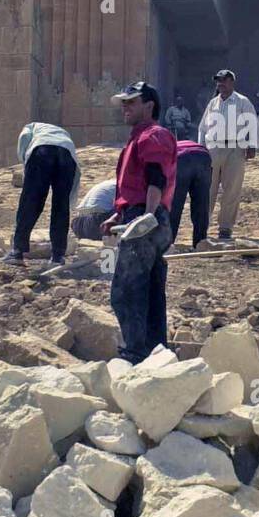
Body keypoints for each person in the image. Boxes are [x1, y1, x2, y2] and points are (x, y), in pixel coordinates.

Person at [101, 81, 177, 364]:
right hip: (147, 217)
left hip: (147, 218)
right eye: (124, 102)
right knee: (151, 288)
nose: (125, 107)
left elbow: (156, 177)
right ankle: (157, 352)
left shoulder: (152, 136)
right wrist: (118, 216)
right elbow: (138, 183)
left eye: (131, 102)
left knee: (127, 291)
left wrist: (146, 215)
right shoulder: (140, 137)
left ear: (149, 105)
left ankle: (134, 353)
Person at [4, 122, 80, 270]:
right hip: (67, 155)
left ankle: (17, 252)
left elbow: (24, 139)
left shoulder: (31, 127)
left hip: (42, 151)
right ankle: (58, 256)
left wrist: (26, 162)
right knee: (61, 207)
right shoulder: (62, 133)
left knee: (31, 202)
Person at [198, 68, 257, 239]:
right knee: (208, 190)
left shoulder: (242, 102)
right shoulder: (212, 104)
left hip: (235, 149)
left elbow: (252, 123)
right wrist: (200, 148)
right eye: (218, 81)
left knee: (231, 190)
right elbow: (203, 128)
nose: (220, 84)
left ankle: (225, 228)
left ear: (232, 82)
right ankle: (202, 226)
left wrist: (251, 145)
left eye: (224, 80)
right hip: (212, 149)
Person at [170, 138, 212, 247]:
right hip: (203, 157)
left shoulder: (165, 148)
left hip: (181, 159)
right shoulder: (182, 144)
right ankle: (200, 242)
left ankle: (169, 243)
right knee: (202, 204)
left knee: (175, 204)